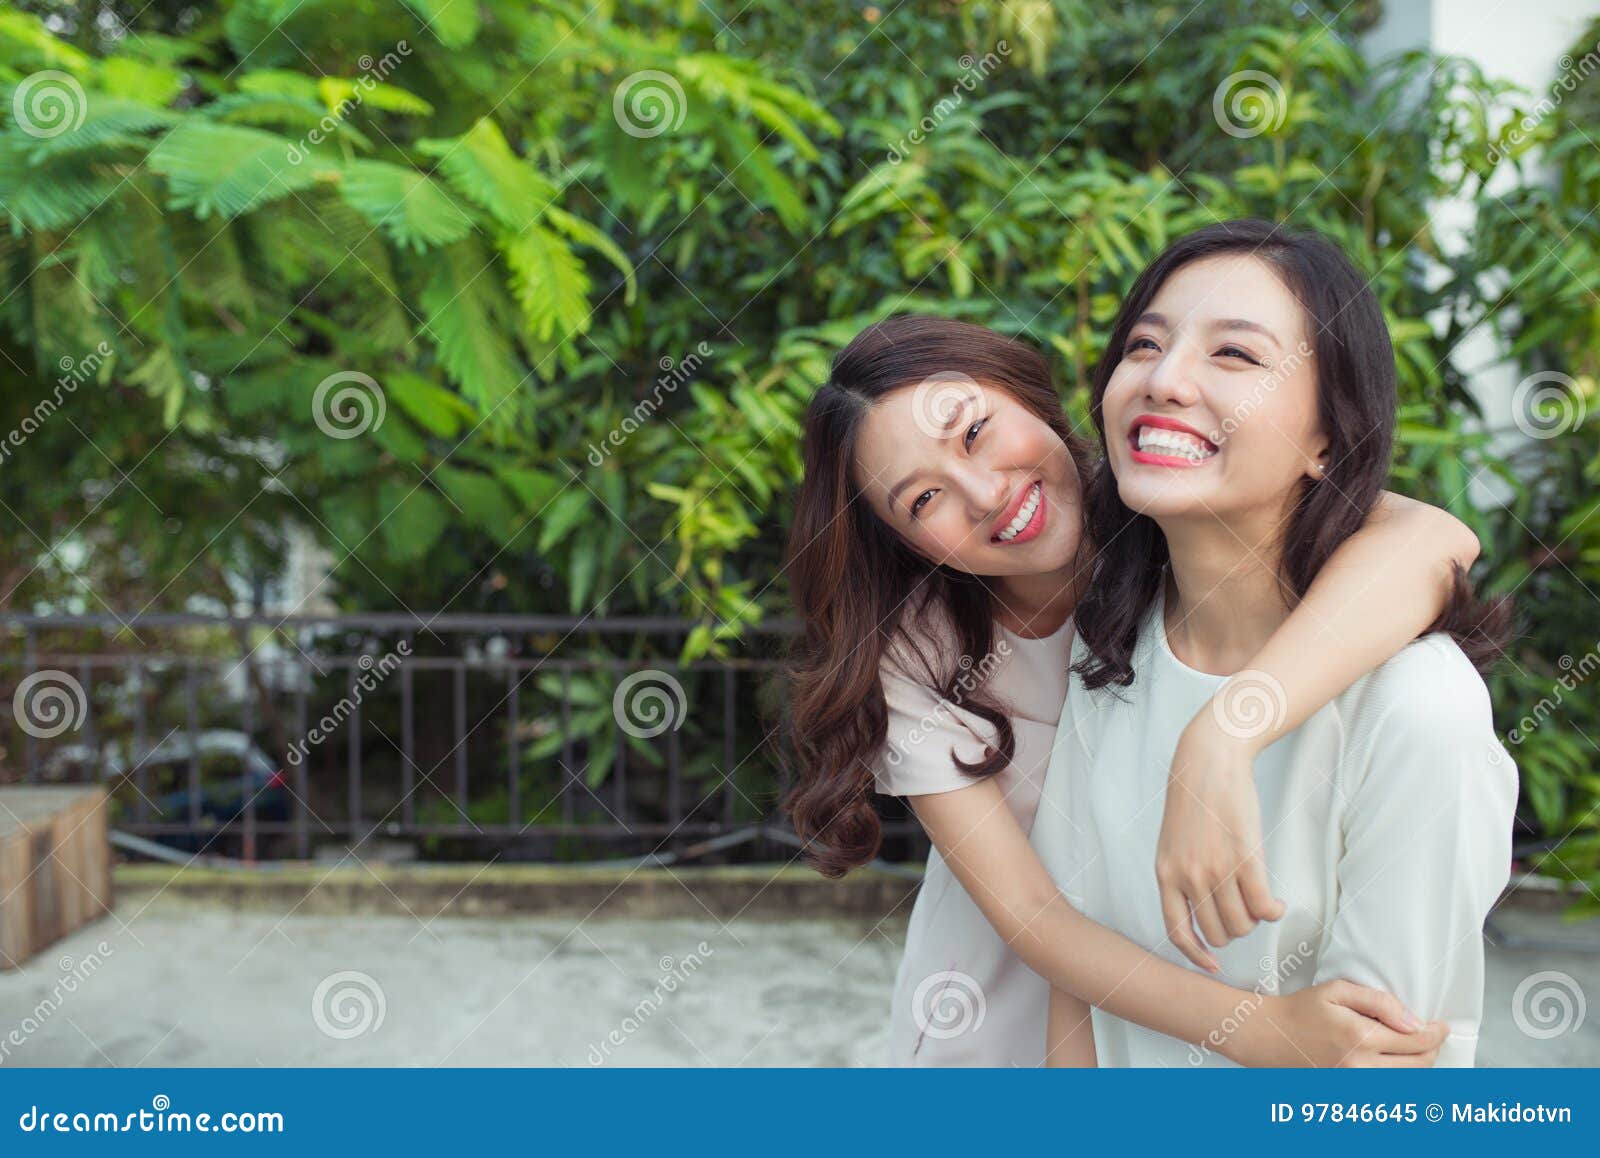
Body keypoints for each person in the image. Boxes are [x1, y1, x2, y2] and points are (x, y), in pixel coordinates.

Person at [783, 303, 1483, 1065]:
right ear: (904, 542)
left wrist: (1223, 734)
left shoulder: (1167, 501)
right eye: (923, 500)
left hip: (1202, 986)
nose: (983, 493)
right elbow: (1033, 919)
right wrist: (1271, 1032)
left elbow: (1430, 538)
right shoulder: (922, 654)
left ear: (1025, 391)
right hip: (996, 1016)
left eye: (977, 433)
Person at [1032, 219, 1517, 1067]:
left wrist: (1222, 735)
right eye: (1144, 344)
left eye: (1235, 356)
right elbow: (1075, 980)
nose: (1165, 380)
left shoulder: (1416, 705)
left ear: (1328, 439)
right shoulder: (1112, 648)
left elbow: (1382, 1070)